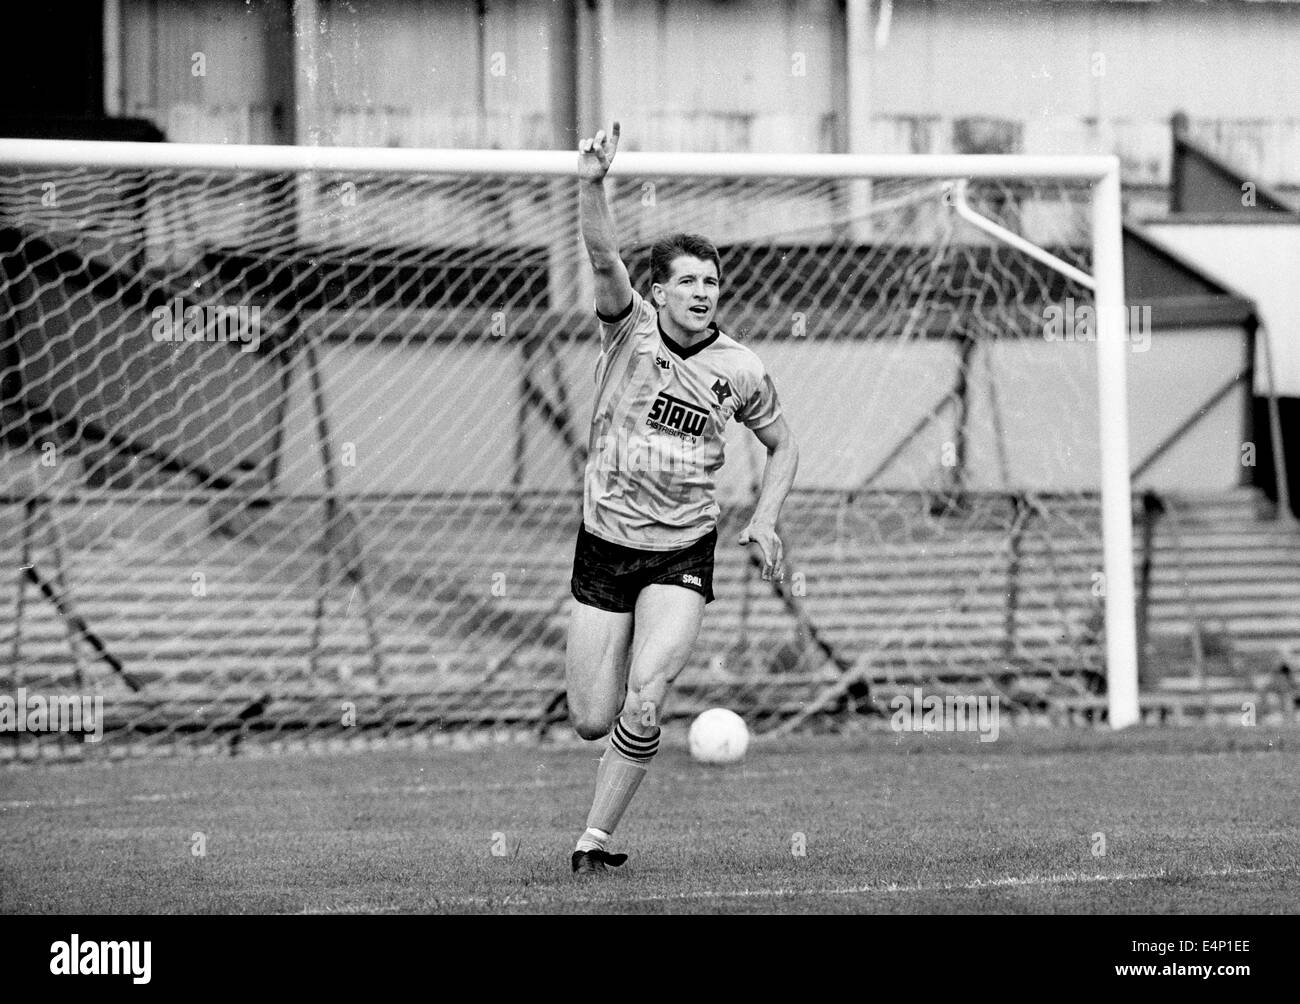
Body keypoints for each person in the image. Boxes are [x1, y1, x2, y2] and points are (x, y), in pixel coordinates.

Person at [567, 122, 799, 875]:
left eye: (713, 283)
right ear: (659, 290)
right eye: (690, 282)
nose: (704, 293)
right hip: (605, 544)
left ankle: (592, 843)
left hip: (682, 552)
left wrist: (763, 519)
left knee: (646, 697)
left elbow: (784, 445)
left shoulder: (741, 369)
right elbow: (603, 256)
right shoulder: (626, 328)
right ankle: (607, 731)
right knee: (589, 718)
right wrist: (594, 182)